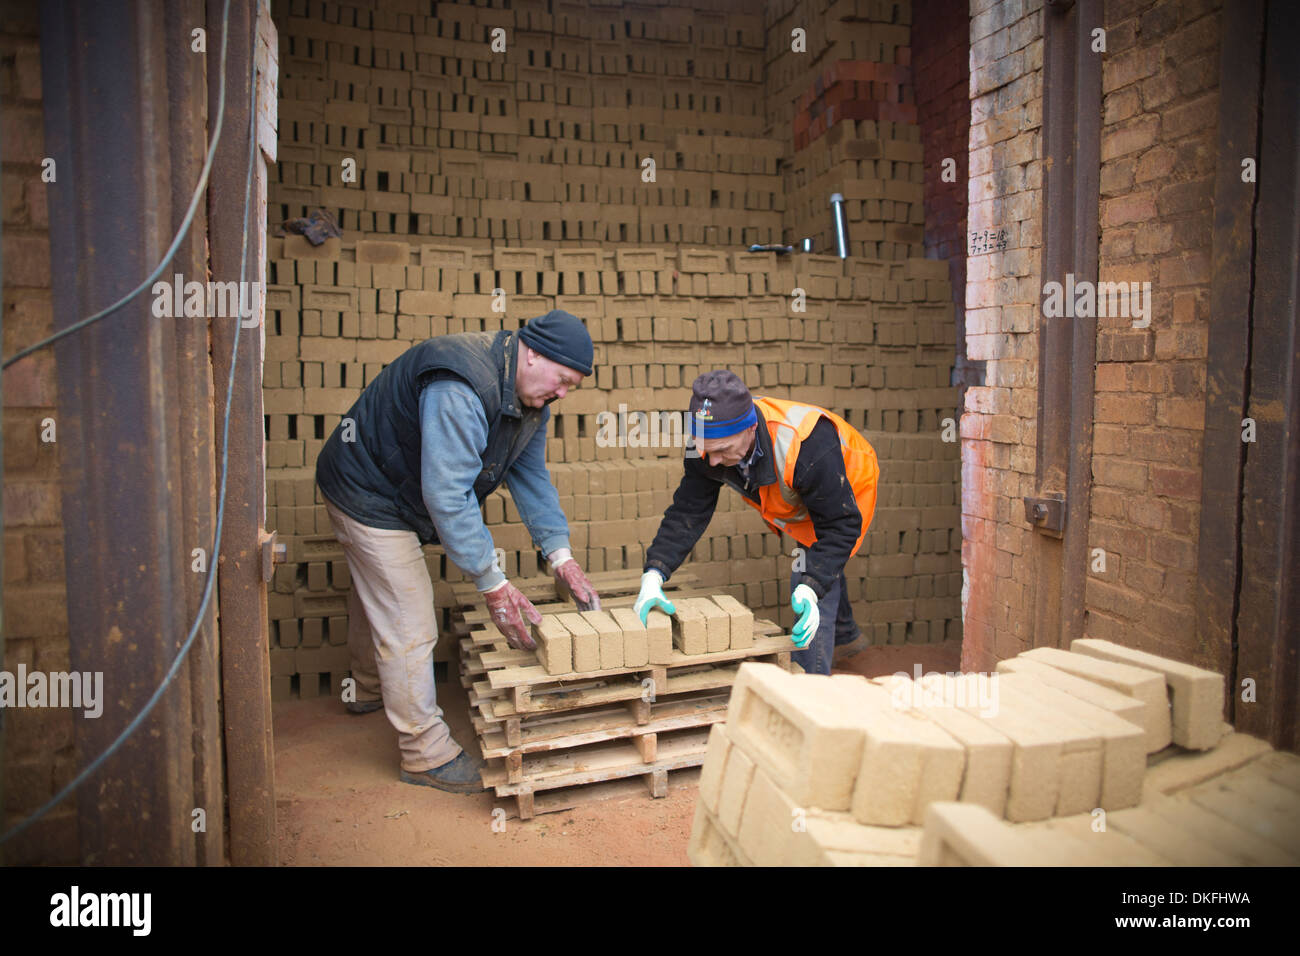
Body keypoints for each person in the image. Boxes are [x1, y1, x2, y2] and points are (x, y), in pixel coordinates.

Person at [315, 310, 601, 793]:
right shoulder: (462, 384)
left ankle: (366, 688)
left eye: (572, 386)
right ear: (533, 354)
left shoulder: (532, 404)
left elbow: (531, 477)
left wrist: (561, 556)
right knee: (407, 617)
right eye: (563, 380)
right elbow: (447, 494)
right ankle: (424, 753)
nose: (563, 393)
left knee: (381, 593)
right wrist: (492, 582)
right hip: (365, 489)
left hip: (404, 489)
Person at [633, 370, 879, 675]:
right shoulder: (708, 445)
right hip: (800, 490)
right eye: (705, 449)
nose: (712, 461)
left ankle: (811, 683)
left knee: (808, 575)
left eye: (722, 451)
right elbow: (688, 511)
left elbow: (839, 527)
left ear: (750, 429)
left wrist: (812, 588)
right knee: (819, 568)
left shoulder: (808, 446)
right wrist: (654, 574)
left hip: (846, 484)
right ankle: (848, 637)